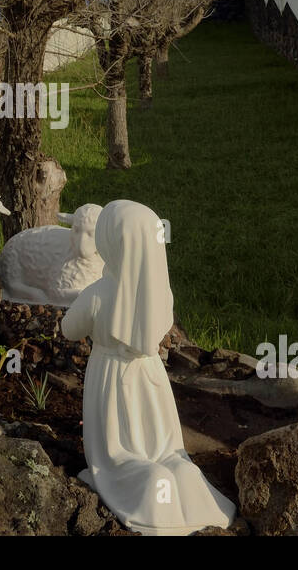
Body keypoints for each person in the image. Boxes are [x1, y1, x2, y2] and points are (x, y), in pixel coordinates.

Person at [62, 200, 236, 535]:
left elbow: (69, 329)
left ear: (111, 243)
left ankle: (140, 484)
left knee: (119, 448)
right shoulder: (160, 296)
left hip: (111, 377)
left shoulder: (97, 294)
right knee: (164, 449)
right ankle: (178, 482)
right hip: (150, 377)